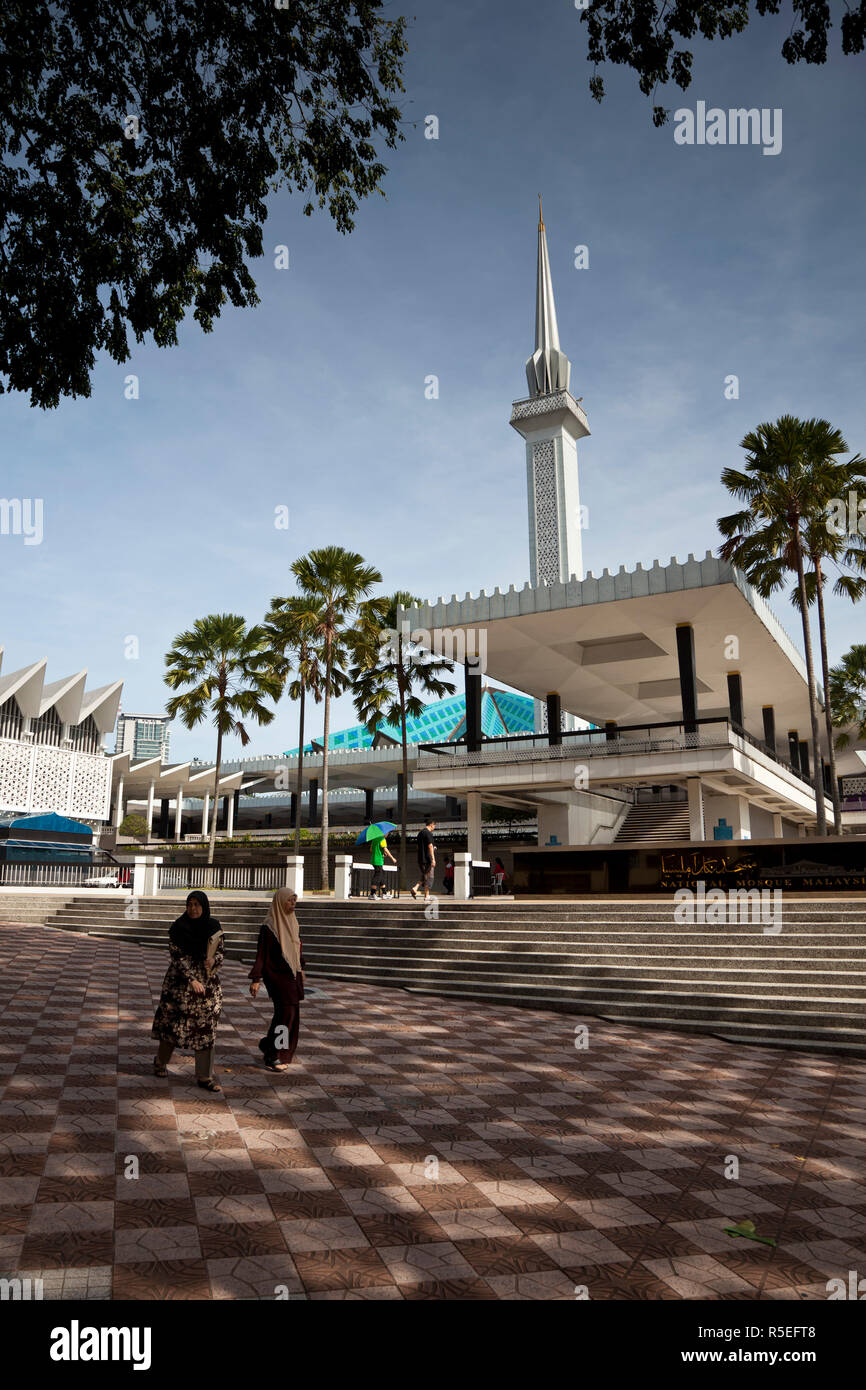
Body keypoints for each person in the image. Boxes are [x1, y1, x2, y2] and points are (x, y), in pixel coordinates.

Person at [152, 890, 223, 1092]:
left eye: (197, 905)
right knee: (172, 1026)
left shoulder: (213, 927)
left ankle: (204, 1076)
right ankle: (160, 1062)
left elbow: (221, 951)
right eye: (190, 904)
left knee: (205, 1030)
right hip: (179, 986)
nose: (193, 909)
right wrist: (191, 979)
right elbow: (177, 957)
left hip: (207, 986)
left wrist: (214, 960)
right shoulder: (178, 928)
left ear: (204, 906)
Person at [248, 887, 306, 1072]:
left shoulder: (292, 922)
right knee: (286, 1016)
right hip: (277, 978)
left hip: (292, 976)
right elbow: (262, 954)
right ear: (280, 902)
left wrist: (301, 968)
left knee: (290, 1015)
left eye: (294, 901)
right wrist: (256, 978)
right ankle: (274, 1054)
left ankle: (270, 1045)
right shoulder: (270, 926)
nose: (292, 904)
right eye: (289, 901)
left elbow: (297, 948)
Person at [410, 818, 436, 900]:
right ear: (431, 824)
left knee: (425, 875)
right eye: (434, 826)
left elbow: (417, 846)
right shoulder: (428, 833)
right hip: (427, 859)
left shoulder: (420, 833)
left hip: (420, 858)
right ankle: (426, 895)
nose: (434, 828)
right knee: (429, 877)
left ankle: (416, 888)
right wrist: (433, 859)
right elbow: (430, 846)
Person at [369, 833, 396, 899]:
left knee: (381, 875)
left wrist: (381, 854)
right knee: (377, 876)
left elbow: (371, 850)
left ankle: (384, 893)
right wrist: (392, 858)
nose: (388, 834)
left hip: (374, 860)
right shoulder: (382, 839)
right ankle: (372, 894)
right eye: (387, 833)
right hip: (378, 861)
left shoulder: (374, 839)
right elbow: (385, 849)